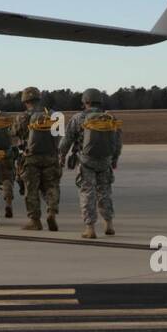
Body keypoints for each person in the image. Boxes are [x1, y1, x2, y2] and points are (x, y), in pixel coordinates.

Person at [58, 89, 121, 239]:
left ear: (85, 101)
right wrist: (115, 159)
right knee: (105, 191)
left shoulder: (78, 118)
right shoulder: (109, 118)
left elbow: (66, 141)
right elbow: (117, 142)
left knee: (87, 193)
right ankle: (109, 224)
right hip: (105, 161)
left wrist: (61, 155)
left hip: (86, 161)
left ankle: (90, 228)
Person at [13, 85, 60, 231]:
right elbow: (60, 136)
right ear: (39, 98)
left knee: (31, 189)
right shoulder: (54, 115)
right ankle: (52, 212)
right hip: (51, 156)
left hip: (31, 158)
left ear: (25, 100)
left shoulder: (23, 117)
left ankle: (35, 221)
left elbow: (14, 132)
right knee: (51, 186)